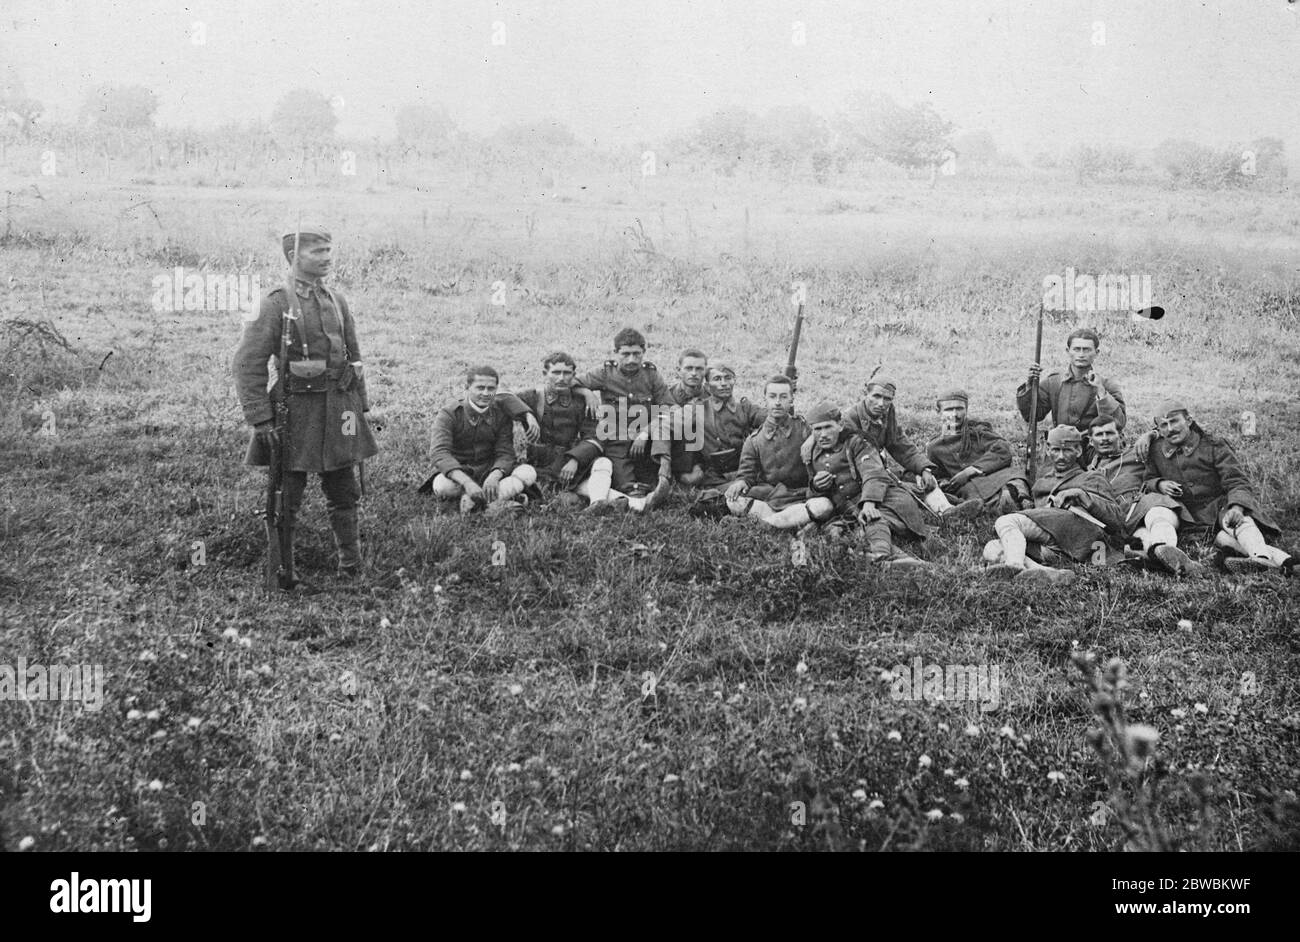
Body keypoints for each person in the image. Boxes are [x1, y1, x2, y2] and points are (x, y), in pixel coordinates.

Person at [233, 224, 378, 584]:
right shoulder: (274, 303)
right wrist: (261, 420)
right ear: (293, 257)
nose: (327, 258)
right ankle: (283, 574)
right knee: (287, 496)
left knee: (345, 491)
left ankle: (351, 567)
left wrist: (360, 405)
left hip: (340, 409)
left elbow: (353, 356)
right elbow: (246, 363)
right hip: (296, 413)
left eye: (329, 251)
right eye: (317, 252)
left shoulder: (336, 300)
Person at [1142, 401, 1294, 575]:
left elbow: (1237, 481)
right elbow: (1148, 480)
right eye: (1164, 425)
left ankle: (1261, 558)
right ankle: (1284, 561)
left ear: (1189, 420)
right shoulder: (1155, 450)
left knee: (1236, 521)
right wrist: (1160, 484)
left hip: (1218, 509)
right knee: (1223, 540)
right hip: (1186, 517)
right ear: (1159, 430)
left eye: (1174, 421)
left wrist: (1236, 507)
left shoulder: (1214, 445)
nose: (1170, 429)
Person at [983, 425, 1124, 584]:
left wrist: (1084, 496)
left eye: (1068, 450)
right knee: (993, 546)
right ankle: (1046, 572)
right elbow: (1040, 518)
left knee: (1006, 522)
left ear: (1078, 451)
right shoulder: (1043, 482)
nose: (1061, 456)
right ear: (1048, 450)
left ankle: (1015, 565)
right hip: (1058, 549)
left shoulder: (1091, 477)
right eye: (1056, 450)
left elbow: (1117, 520)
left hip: (1080, 538)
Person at [820, 378, 978, 519]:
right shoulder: (848, 422)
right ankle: (946, 509)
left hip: (875, 471)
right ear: (865, 394)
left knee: (918, 476)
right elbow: (837, 462)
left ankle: (947, 507)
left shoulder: (885, 414)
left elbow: (901, 445)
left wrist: (924, 469)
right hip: (855, 480)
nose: (881, 404)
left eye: (887, 399)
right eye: (876, 396)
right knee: (901, 492)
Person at [805, 402, 931, 569]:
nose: (823, 434)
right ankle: (903, 562)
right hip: (849, 510)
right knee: (846, 533)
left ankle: (880, 556)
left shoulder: (857, 443)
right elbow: (812, 493)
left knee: (872, 519)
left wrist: (869, 503)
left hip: (885, 499)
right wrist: (816, 486)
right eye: (817, 429)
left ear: (841, 425)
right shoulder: (812, 454)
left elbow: (874, 474)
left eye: (828, 427)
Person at [1086, 416, 1204, 576]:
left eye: (1110, 433)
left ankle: (1163, 547)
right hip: (1122, 518)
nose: (1105, 439)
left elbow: (1174, 435)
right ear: (1091, 441)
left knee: (1156, 515)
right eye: (1099, 435)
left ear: (1121, 437)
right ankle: (1161, 557)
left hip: (1146, 501)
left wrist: (1151, 434)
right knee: (1139, 537)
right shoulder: (1090, 469)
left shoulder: (1137, 452)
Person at [574, 327, 673, 512]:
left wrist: (645, 432)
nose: (631, 360)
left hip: (645, 437)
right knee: (624, 479)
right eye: (625, 354)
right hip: (615, 438)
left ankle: (662, 478)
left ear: (644, 352)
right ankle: (632, 498)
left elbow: (668, 406)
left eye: (637, 354)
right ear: (615, 353)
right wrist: (587, 393)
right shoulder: (605, 372)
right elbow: (573, 382)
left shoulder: (651, 375)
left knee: (658, 451)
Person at [497, 351, 611, 509]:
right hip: (540, 466)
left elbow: (595, 436)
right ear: (545, 373)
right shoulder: (534, 396)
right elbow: (501, 397)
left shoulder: (582, 402)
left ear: (574, 375)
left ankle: (598, 503)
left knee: (603, 463)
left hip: (569, 465)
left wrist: (575, 460)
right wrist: (527, 414)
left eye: (567, 373)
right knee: (524, 476)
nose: (561, 378)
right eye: (556, 372)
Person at [419, 366, 537, 514]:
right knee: (442, 486)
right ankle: (495, 503)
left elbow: (505, 453)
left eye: (491, 388)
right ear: (467, 388)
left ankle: (477, 504)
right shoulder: (449, 413)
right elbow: (440, 453)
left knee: (528, 473)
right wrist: (467, 482)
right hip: (461, 473)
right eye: (480, 388)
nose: (486, 393)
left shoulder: (501, 413)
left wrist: (495, 475)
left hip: (491, 471)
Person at [724, 375, 834, 530]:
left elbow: (831, 436)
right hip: (770, 498)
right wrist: (740, 482)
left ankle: (765, 525)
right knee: (732, 500)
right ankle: (789, 522)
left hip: (802, 496)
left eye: (783, 397)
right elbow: (746, 474)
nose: (777, 402)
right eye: (772, 396)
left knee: (824, 506)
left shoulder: (805, 429)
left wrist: (812, 438)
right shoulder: (754, 440)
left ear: (791, 400)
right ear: (765, 400)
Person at [1017, 327, 1125, 464]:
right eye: (1076, 349)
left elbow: (1119, 423)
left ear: (1096, 353)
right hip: (1061, 448)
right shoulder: (1054, 382)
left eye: (1086, 350)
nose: (1081, 354)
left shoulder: (1107, 385)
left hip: (1093, 450)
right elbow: (1033, 415)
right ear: (1068, 351)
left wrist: (1101, 392)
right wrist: (1030, 386)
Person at [925, 389, 1029, 515]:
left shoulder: (978, 432)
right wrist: (948, 482)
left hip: (995, 474)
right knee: (976, 496)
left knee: (1015, 482)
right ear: (938, 412)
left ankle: (1018, 499)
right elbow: (937, 475)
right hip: (970, 486)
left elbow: (1002, 449)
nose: (954, 414)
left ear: (966, 409)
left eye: (959, 409)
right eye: (948, 410)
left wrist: (971, 470)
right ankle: (966, 508)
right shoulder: (935, 447)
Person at [681, 363, 767, 505]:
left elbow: (771, 417)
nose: (724, 383)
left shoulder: (745, 408)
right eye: (717, 379)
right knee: (757, 493)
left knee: (762, 490)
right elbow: (670, 424)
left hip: (746, 472)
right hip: (714, 477)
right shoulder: (698, 409)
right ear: (707, 386)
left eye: (728, 378)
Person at [667, 348, 710, 484]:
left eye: (699, 369)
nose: (694, 373)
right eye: (688, 368)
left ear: (705, 371)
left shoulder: (712, 397)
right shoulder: (667, 397)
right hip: (676, 453)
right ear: (678, 370)